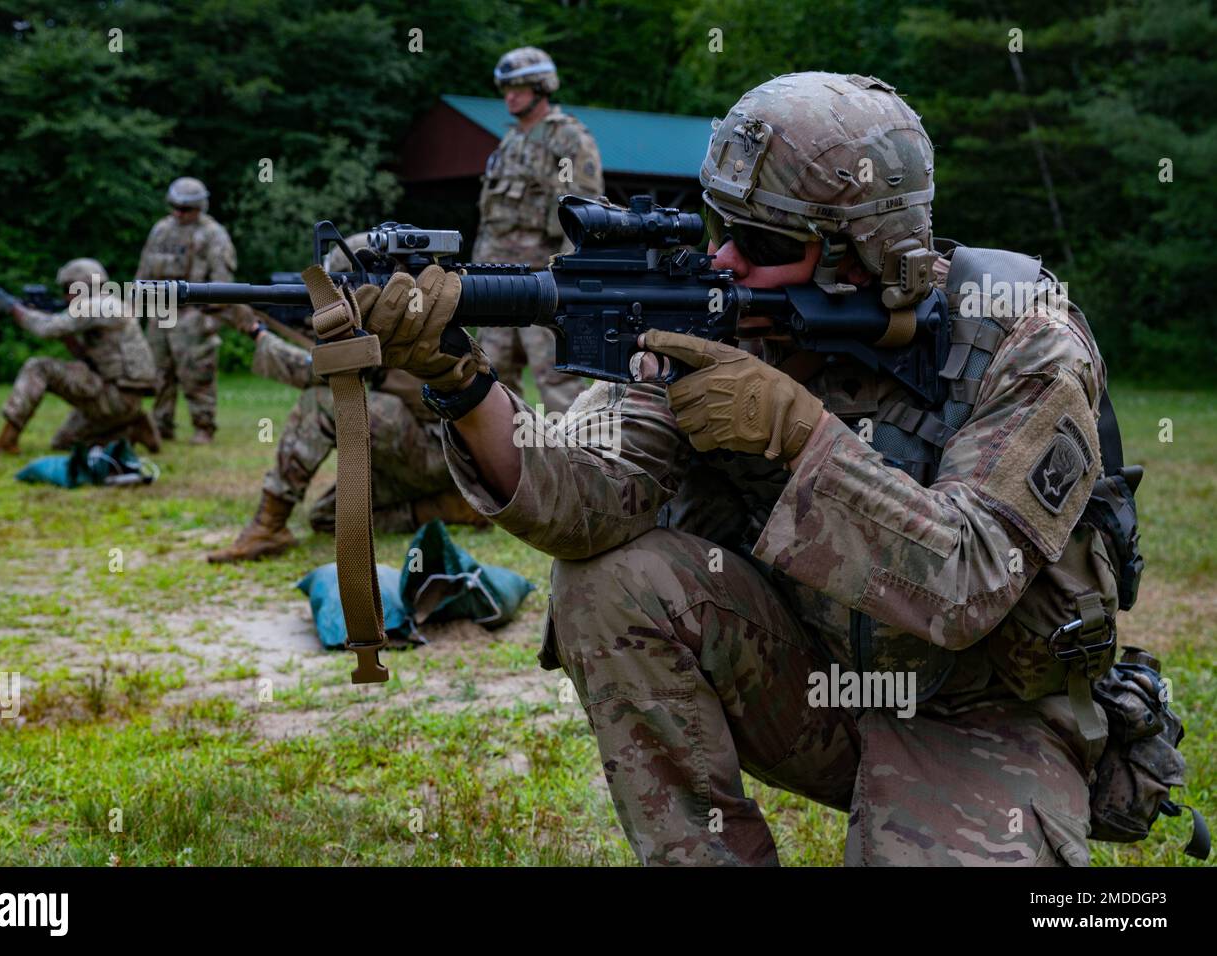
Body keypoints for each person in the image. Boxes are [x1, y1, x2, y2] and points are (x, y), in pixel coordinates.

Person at [332, 73, 1122, 866]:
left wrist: (800, 434)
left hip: (982, 716)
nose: (725, 260)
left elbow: (969, 581)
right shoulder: (724, 322)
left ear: (866, 253)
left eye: (768, 245)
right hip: (815, 688)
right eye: (723, 227)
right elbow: (590, 499)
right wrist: (460, 383)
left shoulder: (1019, 340)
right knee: (610, 582)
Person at [205, 246, 487, 564]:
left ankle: (269, 526)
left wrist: (255, 332)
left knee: (322, 402)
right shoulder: (408, 303)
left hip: (435, 448)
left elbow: (320, 373)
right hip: (433, 454)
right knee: (327, 518)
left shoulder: (391, 317)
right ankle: (446, 506)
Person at [472, 46, 604, 414]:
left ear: (542, 86)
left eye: (520, 87)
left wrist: (566, 283)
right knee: (491, 377)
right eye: (506, 88)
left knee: (557, 380)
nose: (510, 96)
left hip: (542, 284)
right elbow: (491, 220)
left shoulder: (568, 139)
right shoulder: (510, 142)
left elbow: (583, 217)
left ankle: (576, 462)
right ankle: (506, 464)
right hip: (493, 284)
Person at [0, 258, 159, 455]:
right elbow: (87, 358)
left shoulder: (96, 305)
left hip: (114, 397)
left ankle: (7, 440)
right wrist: (66, 335)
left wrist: (15, 309)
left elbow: (45, 328)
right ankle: (131, 428)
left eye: (67, 289)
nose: (65, 297)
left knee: (38, 367)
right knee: (65, 442)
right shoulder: (111, 304)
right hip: (121, 399)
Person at [136, 176, 236, 445]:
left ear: (200, 207)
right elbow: (144, 272)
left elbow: (223, 281)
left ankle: (203, 426)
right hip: (160, 311)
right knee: (158, 373)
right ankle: (160, 425)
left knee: (197, 373)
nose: (179, 213)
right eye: (175, 207)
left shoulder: (213, 235)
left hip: (194, 314)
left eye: (186, 208)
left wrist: (212, 316)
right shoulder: (161, 230)